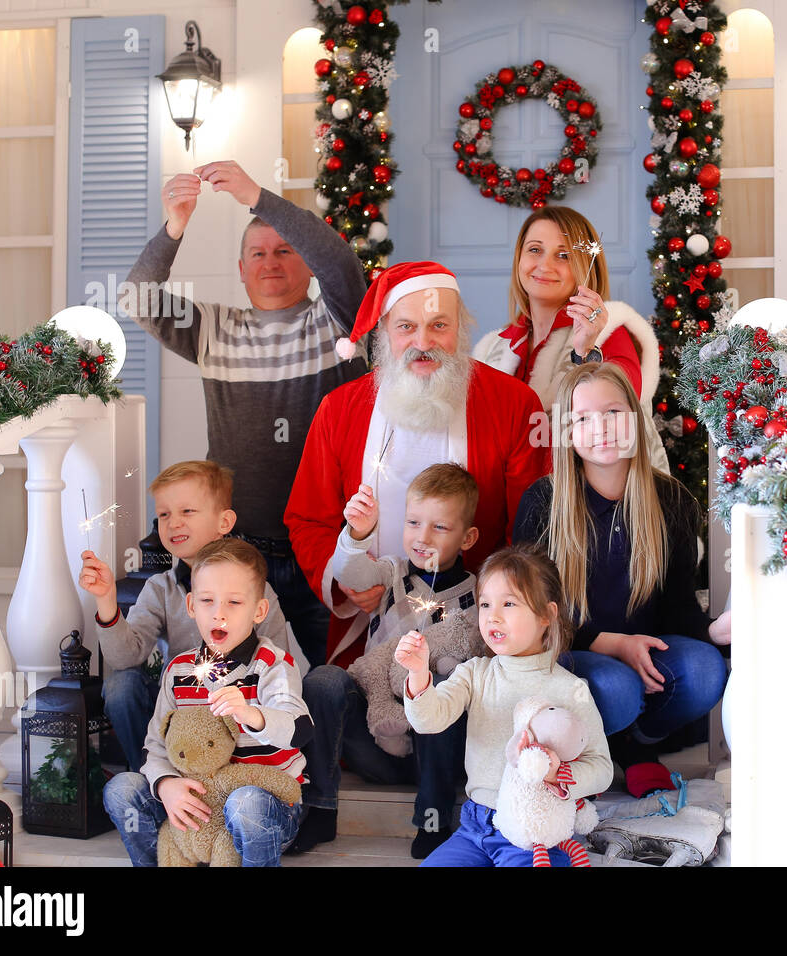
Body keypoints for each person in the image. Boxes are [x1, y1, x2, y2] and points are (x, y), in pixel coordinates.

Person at [121, 159, 368, 667]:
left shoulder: (339, 322)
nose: (270, 262)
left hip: (322, 547)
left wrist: (258, 196)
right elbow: (137, 296)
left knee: (323, 685)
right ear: (240, 268)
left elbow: (340, 263)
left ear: (306, 263)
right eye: (257, 253)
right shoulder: (213, 326)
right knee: (238, 688)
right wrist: (175, 225)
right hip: (236, 552)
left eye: (285, 250)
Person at [285, 261, 550, 669]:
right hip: (371, 630)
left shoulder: (514, 405)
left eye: (438, 325)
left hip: (481, 632)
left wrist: (499, 606)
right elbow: (308, 518)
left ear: (460, 329)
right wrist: (345, 582)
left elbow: (532, 530)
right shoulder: (339, 410)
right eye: (406, 327)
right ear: (384, 334)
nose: (422, 341)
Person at [513, 362, 727, 790]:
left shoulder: (672, 501)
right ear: (569, 434)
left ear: (634, 417)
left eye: (612, 412)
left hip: (645, 652)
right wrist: (612, 644)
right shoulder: (544, 502)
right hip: (573, 654)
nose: (602, 428)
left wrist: (716, 632)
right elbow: (531, 614)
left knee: (704, 670)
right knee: (616, 687)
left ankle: (637, 740)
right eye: (583, 418)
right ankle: (614, 751)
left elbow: (677, 607)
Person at [290, 464, 482, 859]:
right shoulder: (392, 572)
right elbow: (352, 573)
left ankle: (433, 814)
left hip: (444, 751)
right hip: (377, 742)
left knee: (443, 683)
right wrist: (357, 534)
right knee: (323, 680)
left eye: (439, 528)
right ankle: (321, 810)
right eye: (413, 522)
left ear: (468, 537)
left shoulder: (479, 595)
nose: (422, 538)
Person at [102, 539, 312, 867]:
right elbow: (155, 746)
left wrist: (251, 714)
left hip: (264, 807)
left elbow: (299, 728)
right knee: (121, 790)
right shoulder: (178, 671)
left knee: (245, 803)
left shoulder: (272, 665)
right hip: (197, 807)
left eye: (234, 603)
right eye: (207, 601)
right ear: (191, 606)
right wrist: (166, 784)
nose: (219, 614)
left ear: (258, 611)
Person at [401, 544, 612, 867]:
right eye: (485, 604)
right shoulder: (474, 673)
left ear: (547, 615)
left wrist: (559, 774)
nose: (493, 616)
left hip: (535, 835)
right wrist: (418, 673)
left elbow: (601, 768)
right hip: (474, 828)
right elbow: (429, 720)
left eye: (509, 603)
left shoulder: (570, 689)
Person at [79, 460, 291, 772]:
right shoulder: (161, 588)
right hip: (179, 711)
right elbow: (126, 658)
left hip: (239, 712)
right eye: (164, 514)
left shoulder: (255, 591)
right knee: (122, 685)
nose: (173, 523)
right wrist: (106, 599)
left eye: (187, 512)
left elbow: (278, 663)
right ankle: (154, 779)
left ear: (224, 521)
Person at [473, 205, 669, 472]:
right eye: (534, 250)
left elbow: (620, 411)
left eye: (563, 255)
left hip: (580, 505)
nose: (545, 265)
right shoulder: (494, 348)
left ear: (585, 267)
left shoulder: (607, 332)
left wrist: (585, 351)